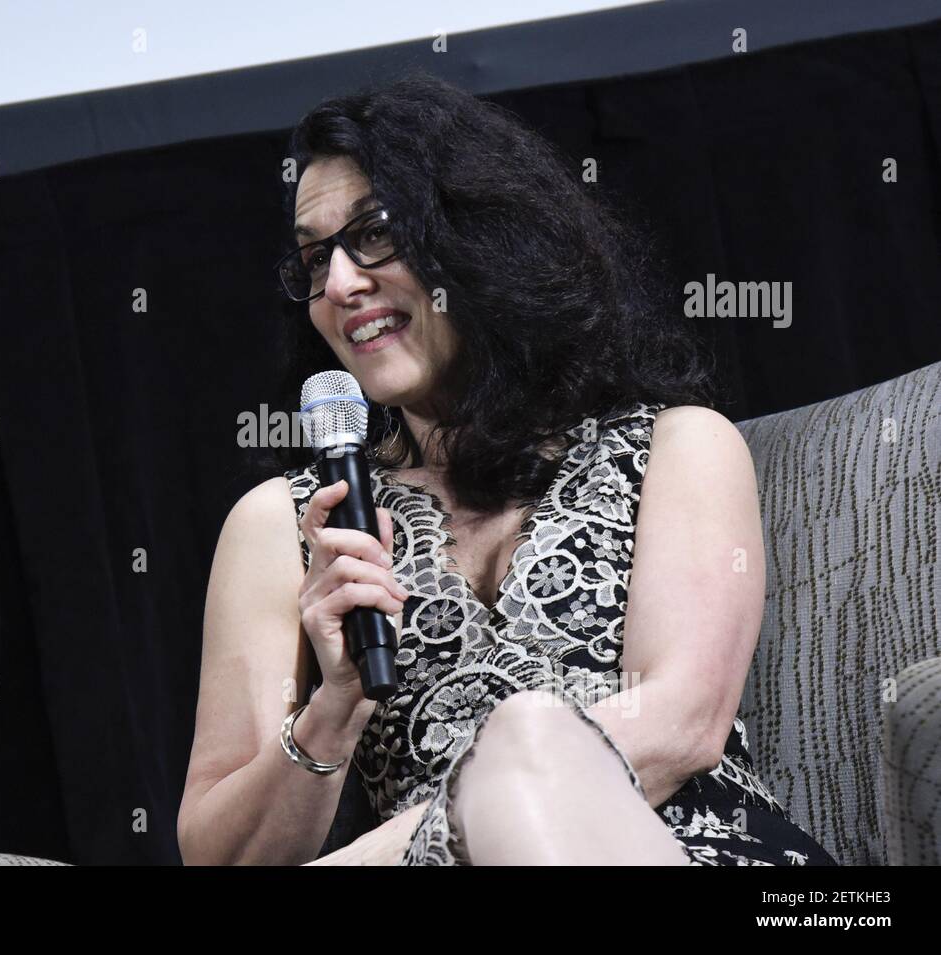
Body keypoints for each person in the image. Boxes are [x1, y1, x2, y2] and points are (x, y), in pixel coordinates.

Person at [176, 69, 838, 866]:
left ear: (479, 235)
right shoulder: (281, 526)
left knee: (528, 732)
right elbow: (223, 858)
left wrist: (432, 828)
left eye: (376, 233)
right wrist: (336, 703)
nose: (341, 284)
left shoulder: (678, 444)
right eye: (316, 260)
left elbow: (682, 723)